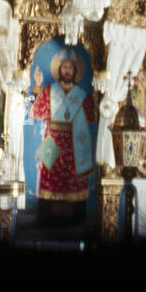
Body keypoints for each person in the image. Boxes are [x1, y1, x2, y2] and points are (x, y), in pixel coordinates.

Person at [29, 52, 97, 203]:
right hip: (53, 141)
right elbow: (35, 111)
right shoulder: (49, 91)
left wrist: (96, 94)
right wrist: (38, 85)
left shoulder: (82, 95)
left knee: (74, 180)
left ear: (75, 71)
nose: (67, 70)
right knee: (50, 178)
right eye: (64, 67)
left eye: (70, 68)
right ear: (59, 70)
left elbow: (93, 117)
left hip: (75, 144)